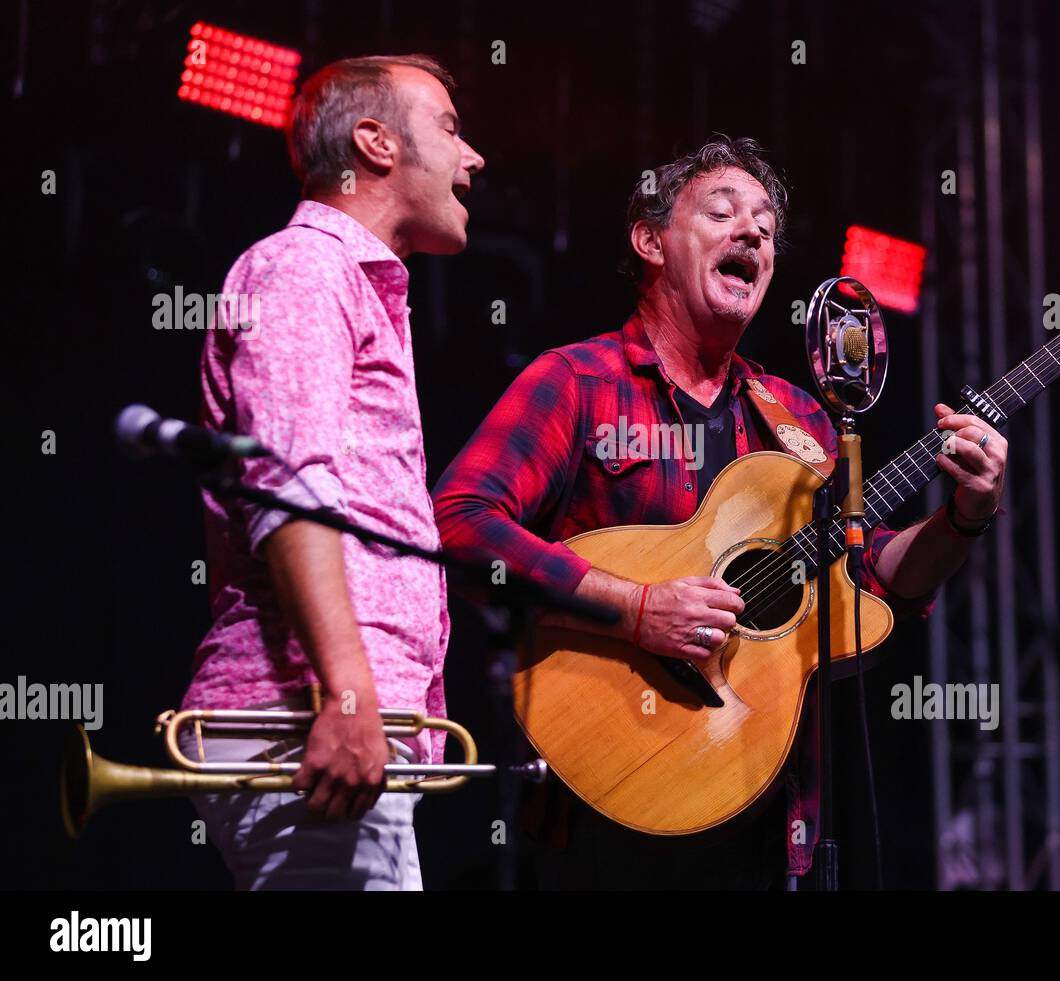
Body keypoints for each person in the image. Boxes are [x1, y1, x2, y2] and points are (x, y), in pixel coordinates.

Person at [433, 136, 1008, 889]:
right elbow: (458, 524)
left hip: (768, 823)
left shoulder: (799, 417)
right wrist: (634, 606)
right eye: (722, 212)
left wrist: (965, 513)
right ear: (650, 241)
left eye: (766, 228)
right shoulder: (577, 381)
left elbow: (871, 577)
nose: (753, 235)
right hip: (606, 808)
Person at [183, 54, 485, 890]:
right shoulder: (306, 269)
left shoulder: (346, 283)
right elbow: (291, 484)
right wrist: (349, 695)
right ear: (375, 142)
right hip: (304, 713)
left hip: (331, 714)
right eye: (452, 130)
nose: (475, 158)